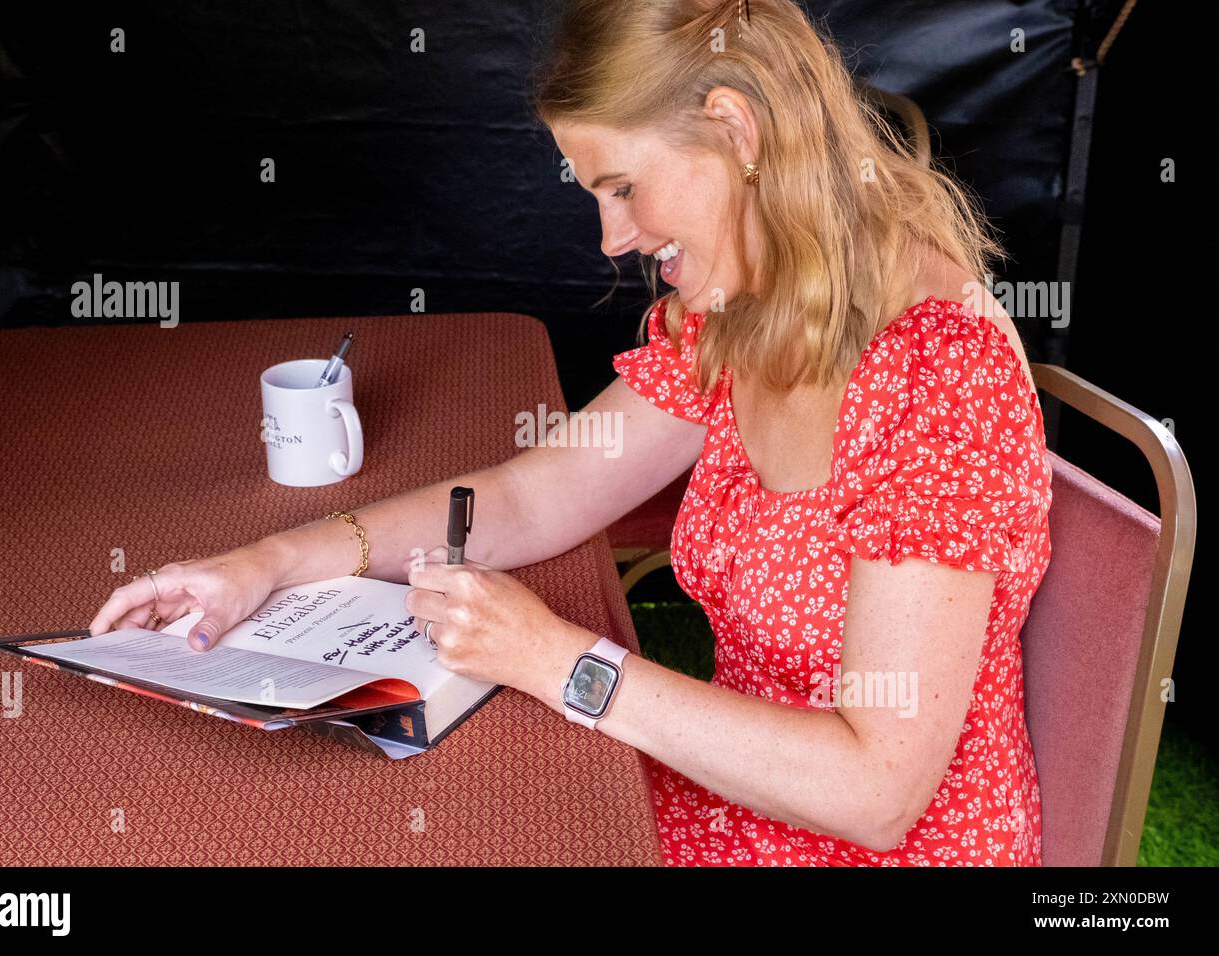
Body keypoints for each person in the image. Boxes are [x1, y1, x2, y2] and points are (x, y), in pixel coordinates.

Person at [89, 0, 1052, 865]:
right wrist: (267, 563)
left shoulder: (939, 373)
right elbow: (531, 497)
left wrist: (559, 662)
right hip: (736, 788)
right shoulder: (739, 307)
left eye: (624, 187)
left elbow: (877, 793)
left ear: (735, 128)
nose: (611, 237)